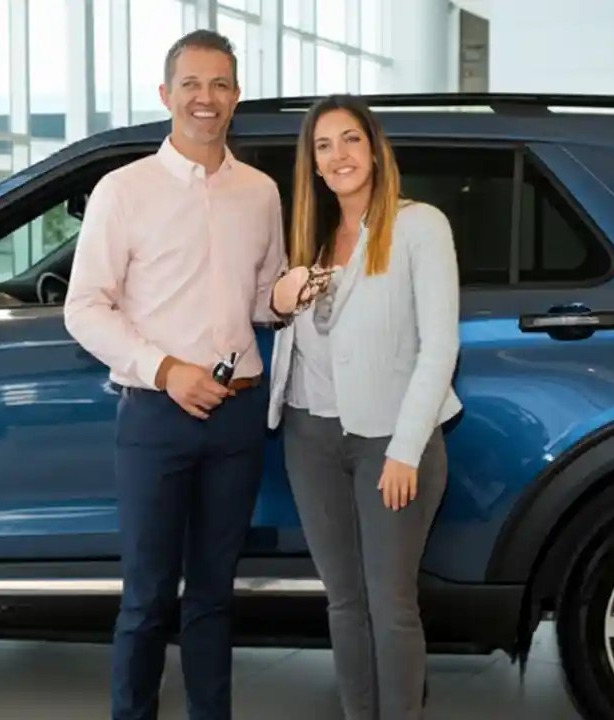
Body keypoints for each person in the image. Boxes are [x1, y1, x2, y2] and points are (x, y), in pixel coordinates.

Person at [63, 29, 286, 720]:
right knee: (148, 595)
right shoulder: (123, 190)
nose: (205, 98)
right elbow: (84, 308)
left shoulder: (261, 192)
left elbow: (262, 302)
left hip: (239, 415)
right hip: (157, 414)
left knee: (216, 594)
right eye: (191, 84)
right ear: (166, 95)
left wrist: (290, 298)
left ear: (236, 97)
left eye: (220, 84)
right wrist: (165, 371)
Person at [267, 94, 462, 720]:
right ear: (313, 165)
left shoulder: (418, 226)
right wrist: (279, 301)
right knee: (343, 602)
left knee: (389, 603)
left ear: (375, 150)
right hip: (310, 433)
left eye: (351, 140)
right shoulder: (310, 237)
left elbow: (440, 347)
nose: (339, 156)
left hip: (389, 440)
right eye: (324, 146)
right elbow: (284, 324)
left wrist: (406, 450)